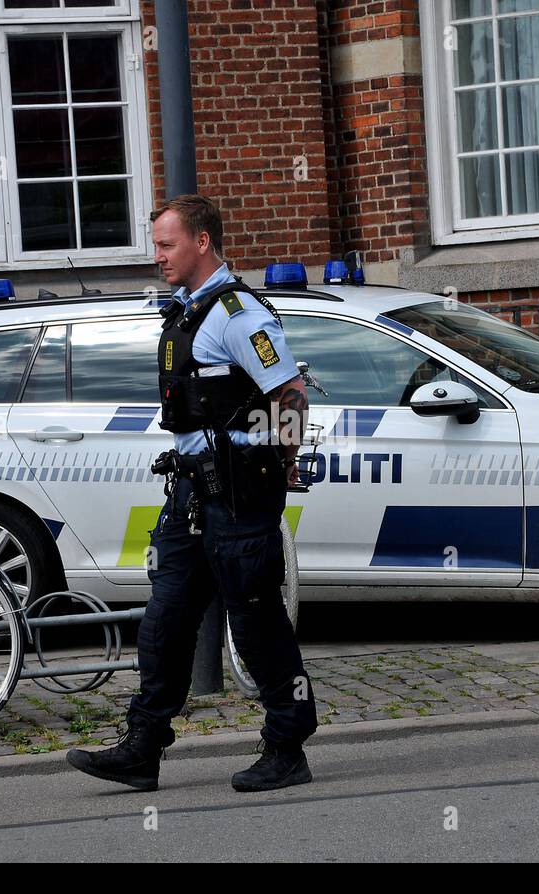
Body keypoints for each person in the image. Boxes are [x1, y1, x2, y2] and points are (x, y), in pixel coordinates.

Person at [67, 194, 317, 792]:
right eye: (156, 244)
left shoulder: (239, 315)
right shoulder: (187, 311)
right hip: (190, 499)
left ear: (202, 242)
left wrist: (280, 468)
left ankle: (287, 746)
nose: (158, 256)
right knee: (165, 621)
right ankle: (142, 747)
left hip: (238, 498)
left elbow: (290, 394)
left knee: (256, 626)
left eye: (167, 244)